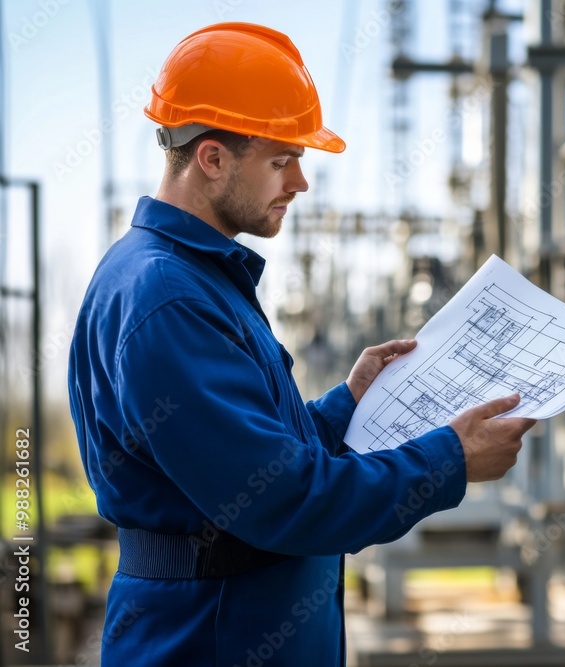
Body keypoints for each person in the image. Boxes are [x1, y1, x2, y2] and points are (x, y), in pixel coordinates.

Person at [67, 22, 534, 666]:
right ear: (212, 158)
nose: (300, 184)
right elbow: (283, 499)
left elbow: (255, 451)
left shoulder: (192, 277)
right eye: (281, 161)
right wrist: (451, 459)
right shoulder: (167, 297)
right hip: (212, 638)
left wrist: (346, 403)